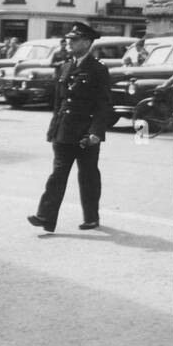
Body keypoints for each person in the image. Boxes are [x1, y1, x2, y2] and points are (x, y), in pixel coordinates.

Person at [28, 22, 112, 233]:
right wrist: (53, 129)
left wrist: (95, 132)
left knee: (88, 176)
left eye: (74, 40)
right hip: (64, 131)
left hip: (86, 133)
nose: (69, 43)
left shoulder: (98, 70)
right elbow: (59, 103)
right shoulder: (65, 67)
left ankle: (91, 217)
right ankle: (45, 217)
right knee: (57, 175)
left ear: (87, 42)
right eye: (68, 39)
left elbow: (104, 105)